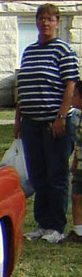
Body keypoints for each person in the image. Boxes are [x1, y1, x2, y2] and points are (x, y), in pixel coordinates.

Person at [14, 3, 78, 243]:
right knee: (38, 174)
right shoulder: (29, 51)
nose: (45, 23)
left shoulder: (63, 50)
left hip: (55, 122)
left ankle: (56, 227)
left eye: (50, 19)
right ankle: (42, 224)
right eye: (41, 19)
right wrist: (18, 119)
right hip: (31, 123)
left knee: (56, 174)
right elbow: (22, 87)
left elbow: (70, 84)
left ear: (57, 22)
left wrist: (61, 116)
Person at [63, 80, 82, 243]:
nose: (72, 98)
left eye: (74, 95)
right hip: (80, 165)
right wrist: (74, 162)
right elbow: (77, 143)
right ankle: (78, 232)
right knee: (76, 196)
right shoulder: (75, 118)